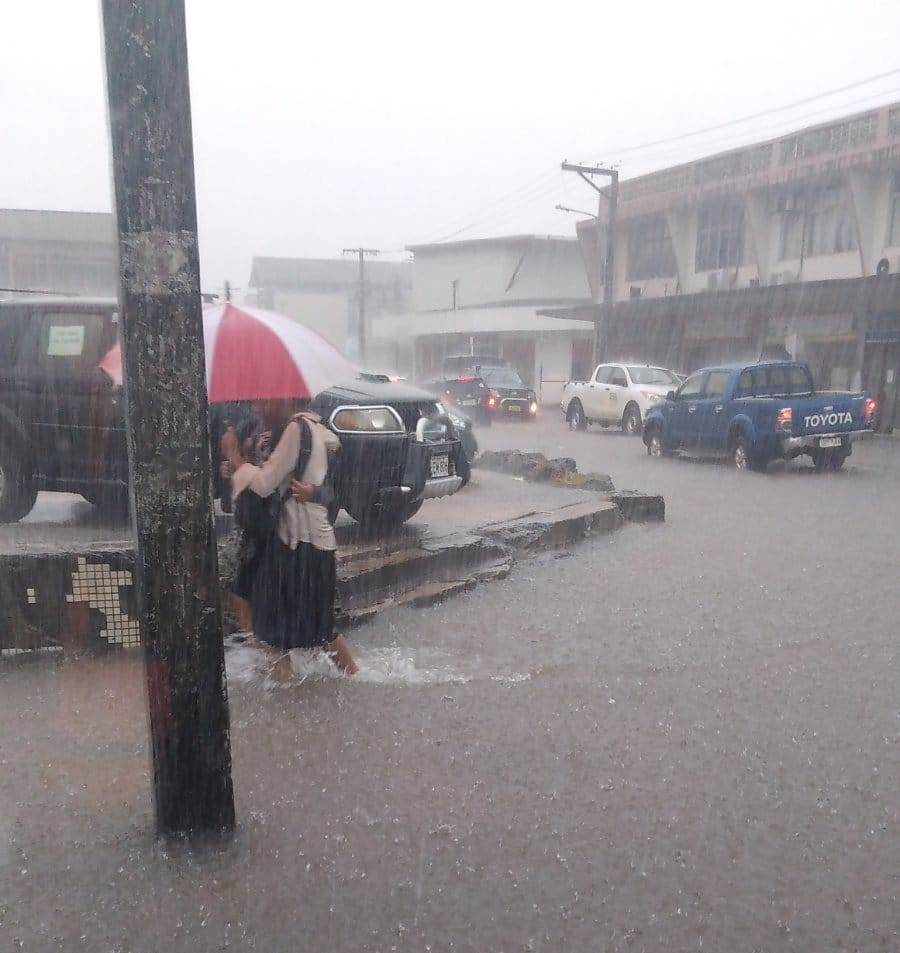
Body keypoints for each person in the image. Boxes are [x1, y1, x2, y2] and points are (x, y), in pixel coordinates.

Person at [220, 398, 357, 680]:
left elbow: (264, 483)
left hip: (301, 543)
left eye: (265, 401)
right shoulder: (295, 428)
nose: (258, 407)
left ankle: (289, 691)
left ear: (286, 399)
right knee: (302, 630)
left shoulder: (297, 428)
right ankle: (302, 686)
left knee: (303, 632)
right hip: (299, 543)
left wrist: (235, 458)